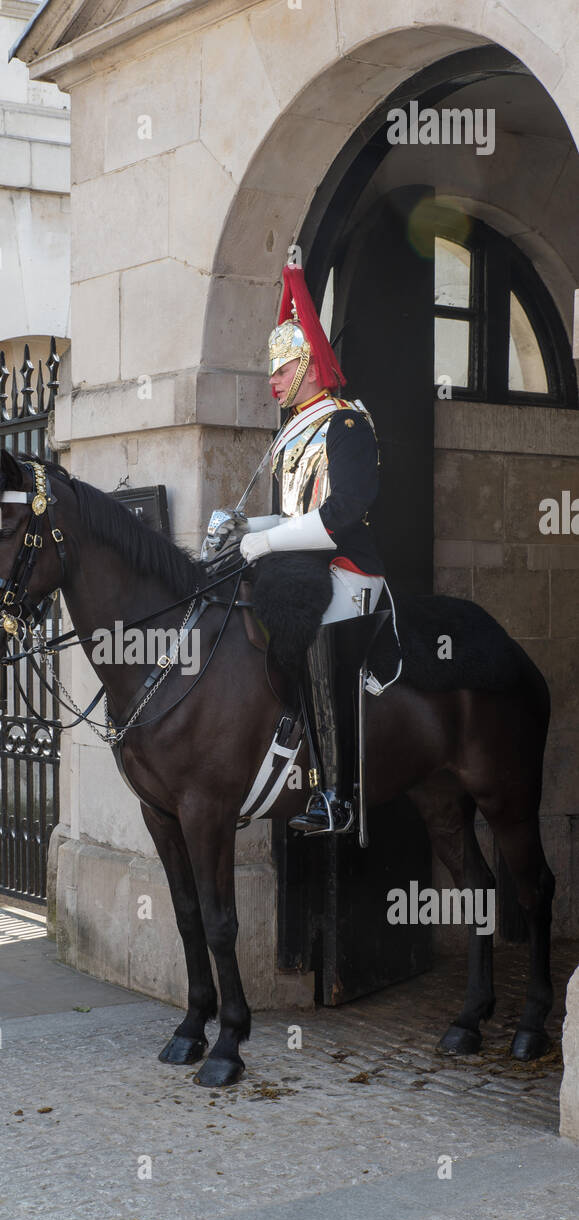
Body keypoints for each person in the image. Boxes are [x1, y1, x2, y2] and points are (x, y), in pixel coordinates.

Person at [240, 265, 386, 835]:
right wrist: (240, 532)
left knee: (318, 635)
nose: (273, 379)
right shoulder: (293, 430)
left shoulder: (346, 424)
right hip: (304, 559)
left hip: (349, 565)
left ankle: (337, 794)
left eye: (281, 367)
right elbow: (290, 516)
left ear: (306, 365)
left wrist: (265, 540)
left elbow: (337, 516)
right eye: (272, 368)